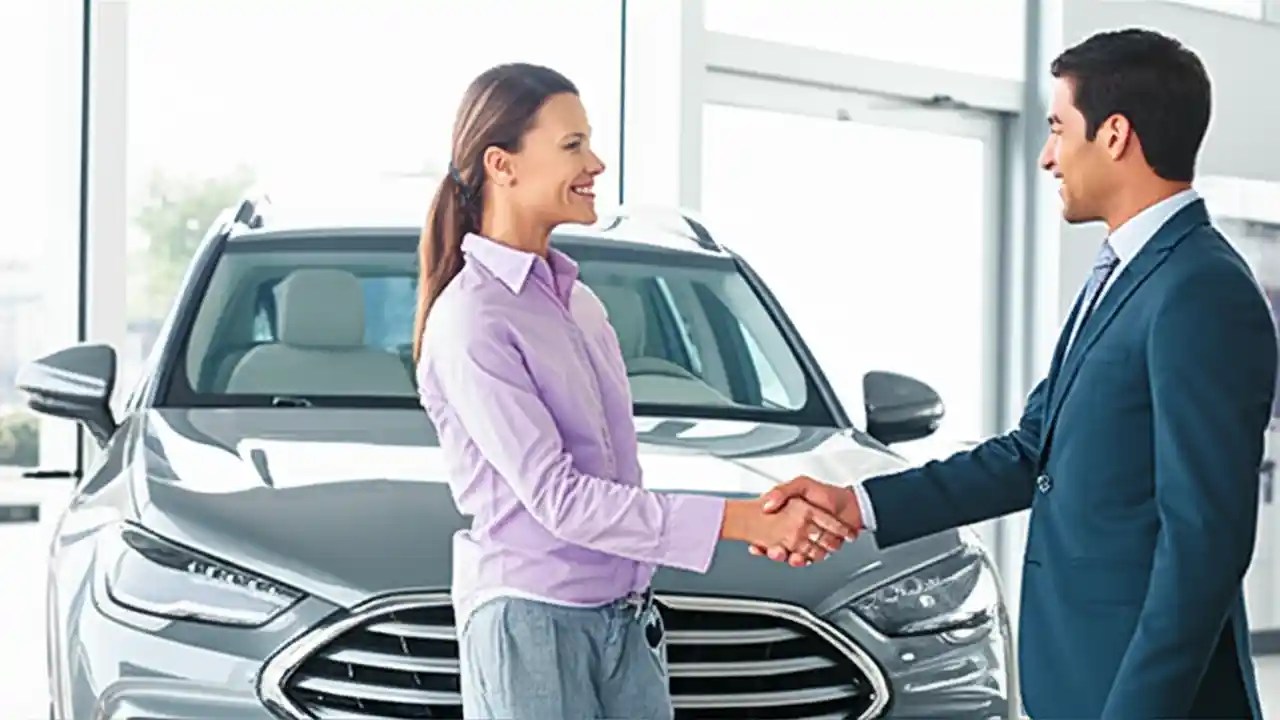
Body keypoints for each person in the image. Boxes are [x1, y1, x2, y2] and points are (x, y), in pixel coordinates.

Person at [753, 28, 1278, 719]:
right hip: (1082, 681)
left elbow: (1204, 543)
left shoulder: (1200, 288)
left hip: (1144, 697)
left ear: (1115, 134)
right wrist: (857, 505)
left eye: (1059, 128)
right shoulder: (1123, 278)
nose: (1046, 156)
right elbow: (1031, 455)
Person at [412, 63, 855, 720]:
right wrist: (742, 520)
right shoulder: (473, 318)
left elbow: (616, 475)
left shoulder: (580, 306)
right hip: (535, 626)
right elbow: (559, 500)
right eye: (572, 146)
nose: (596, 162)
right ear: (501, 164)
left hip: (625, 620)